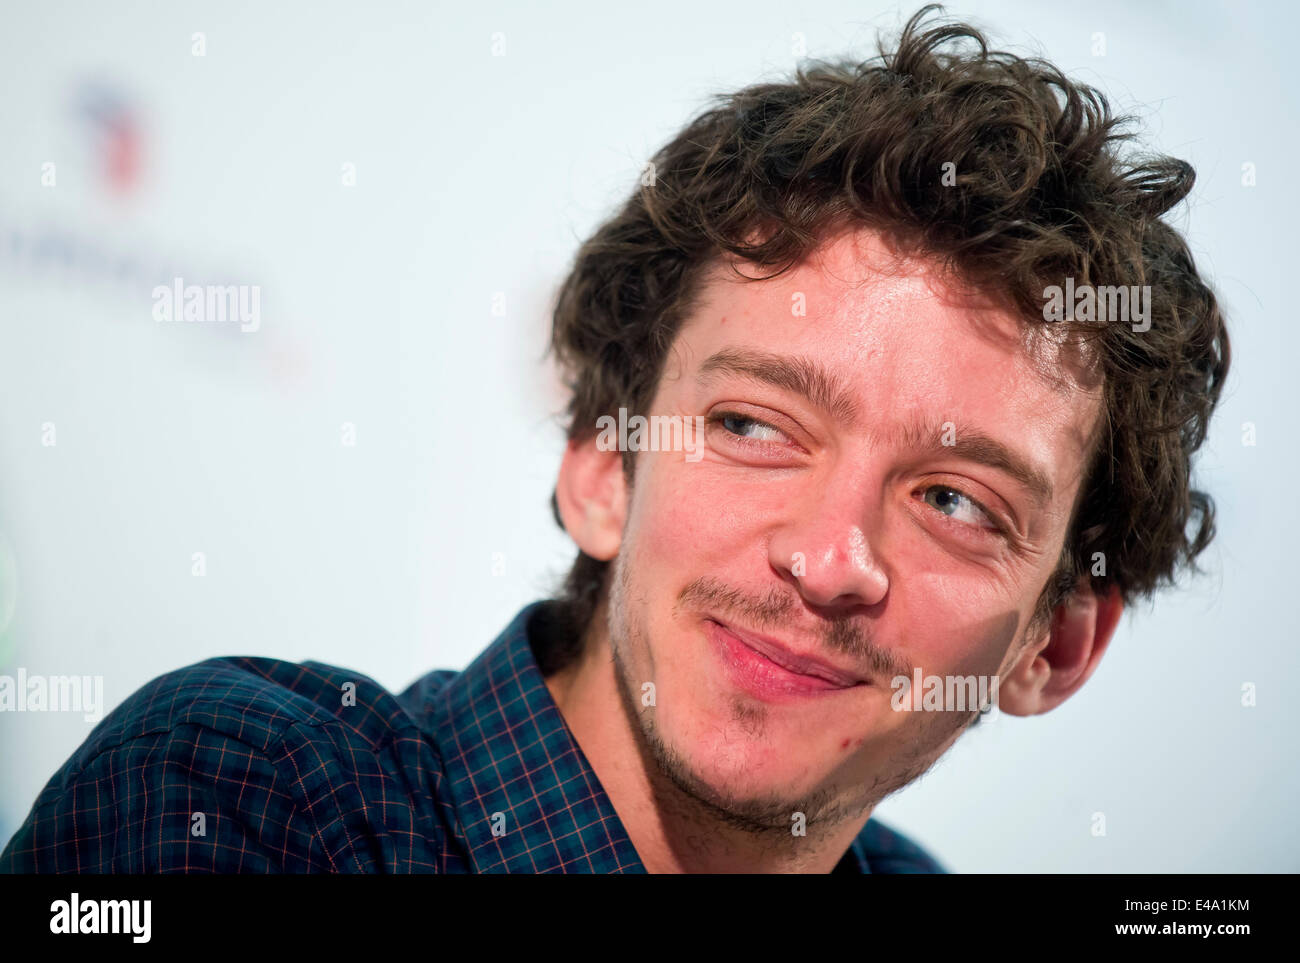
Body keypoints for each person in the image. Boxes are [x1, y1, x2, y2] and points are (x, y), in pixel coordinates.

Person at [0, 5, 1229, 874]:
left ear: (1054, 646)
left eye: (957, 501)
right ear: (600, 463)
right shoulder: (253, 798)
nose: (829, 558)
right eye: (754, 426)